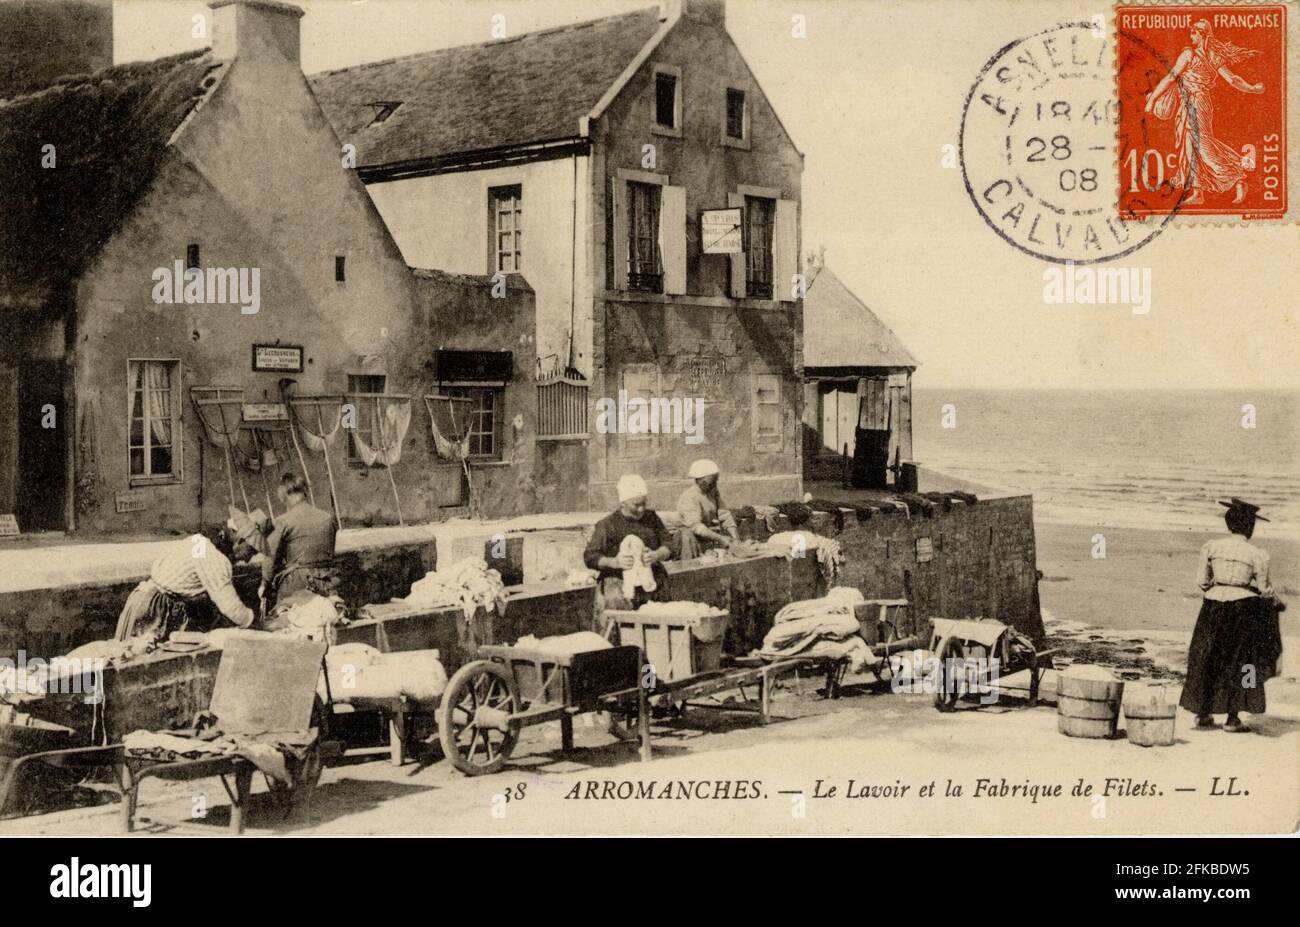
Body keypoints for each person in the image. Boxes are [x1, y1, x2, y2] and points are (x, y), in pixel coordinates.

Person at [1180, 498, 1285, 733]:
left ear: (1229, 523)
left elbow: (1202, 582)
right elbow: (1264, 589)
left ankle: (1203, 714)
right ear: (1249, 526)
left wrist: (1218, 589)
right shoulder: (1257, 553)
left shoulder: (1211, 546)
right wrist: (1277, 602)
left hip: (1213, 607)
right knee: (1242, 660)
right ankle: (1232, 718)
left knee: (1206, 655)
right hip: (1243, 609)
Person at [1143, 20, 1265, 205]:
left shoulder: (1189, 54)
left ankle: (1238, 176)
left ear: (1202, 34)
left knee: (1203, 145)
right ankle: (1198, 191)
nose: (1191, 36)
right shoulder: (1212, 56)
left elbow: (1171, 78)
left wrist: (1152, 100)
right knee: (1190, 146)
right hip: (1190, 103)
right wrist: (1252, 88)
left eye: (1193, 33)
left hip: (1197, 102)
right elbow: (1233, 79)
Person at [114, 513, 260, 643]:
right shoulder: (213, 557)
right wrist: (258, 625)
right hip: (155, 612)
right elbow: (231, 607)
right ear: (241, 540)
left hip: (143, 599)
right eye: (252, 551)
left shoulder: (201, 541)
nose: (248, 560)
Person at [584, 474, 672, 611]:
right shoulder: (608, 525)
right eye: (636, 505)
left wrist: (656, 555)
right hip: (618, 581)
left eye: (644, 504)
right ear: (623, 503)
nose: (641, 509)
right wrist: (614, 562)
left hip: (651, 579)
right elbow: (590, 557)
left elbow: (668, 544)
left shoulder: (651, 518)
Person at [260, 471, 340, 617]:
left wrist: (264, 584)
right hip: (328, 581)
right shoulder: (328, 518)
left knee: (284, 621)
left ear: (286, 496)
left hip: (298, 584)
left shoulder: (283, 521)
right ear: (304, 493)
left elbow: (270, 559)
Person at [672, 458, 739, 560]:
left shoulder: (713, 492)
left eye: (716, 481)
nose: (714, 485)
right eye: (711, 482)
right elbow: (697, 527)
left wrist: (735, 538)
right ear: (700, 480)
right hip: (692, 541)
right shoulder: (690, 497)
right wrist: (721, 539)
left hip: (711, 538)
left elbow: (724, 514)